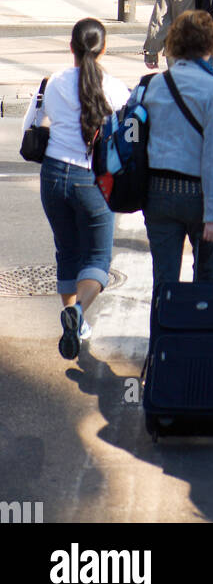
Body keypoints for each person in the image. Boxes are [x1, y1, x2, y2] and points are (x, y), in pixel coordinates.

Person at [28, 19, 129, 359]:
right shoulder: (113, 88)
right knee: (98, 257)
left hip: (53, 175)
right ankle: (79, 313)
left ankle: (73, 322)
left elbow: (35, 122)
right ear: (104, 50)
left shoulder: (53, 82)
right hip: (92, 179)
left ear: (71, 48)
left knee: (66, 251)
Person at [143, 11, 213, 290]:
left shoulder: (156, 84)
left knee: (164, 279)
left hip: (157, 191)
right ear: (211, 45)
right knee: (206, 276)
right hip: (198, 193)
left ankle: (162, 333)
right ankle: (201, 332)